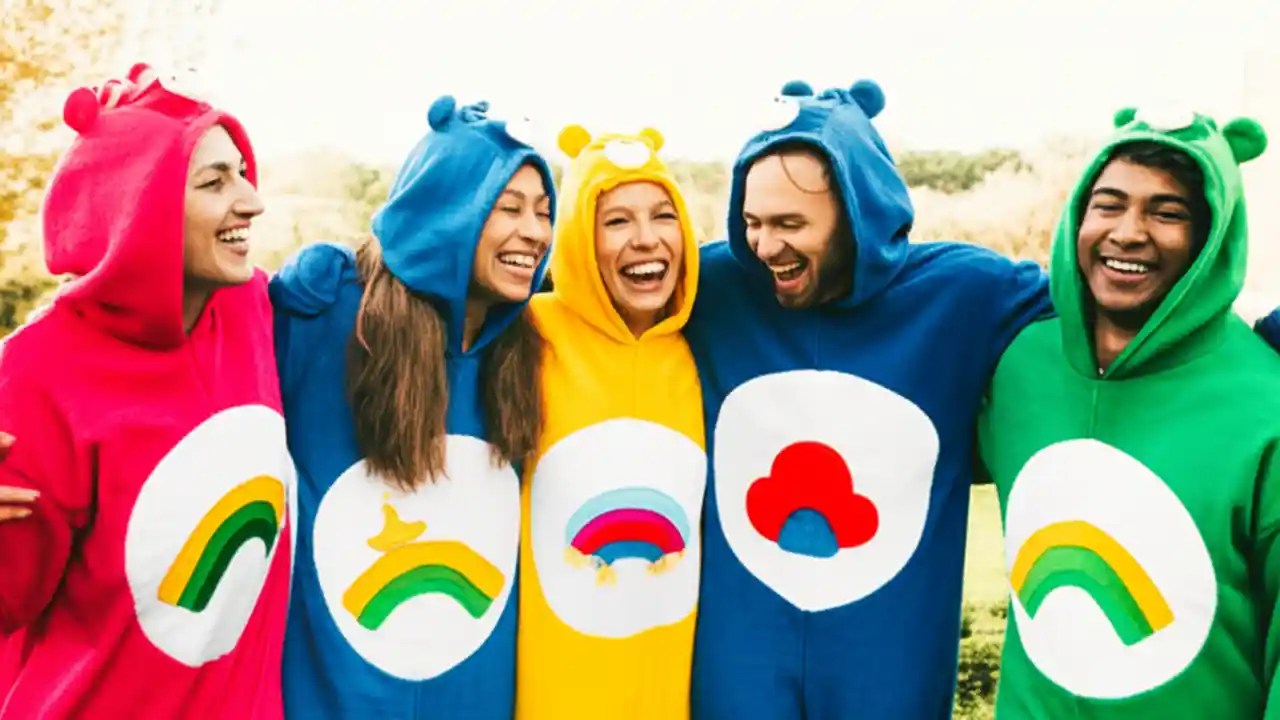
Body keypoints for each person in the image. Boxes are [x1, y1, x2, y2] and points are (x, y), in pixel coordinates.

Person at [683, 78, 1052, 719]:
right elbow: (575, 287)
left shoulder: (964, 294)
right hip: (739, 656)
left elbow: (1104, 304)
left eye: (791, 223)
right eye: (752, 222)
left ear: (859, 213)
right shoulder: (714, 287)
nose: (765, 246)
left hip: (890, 658)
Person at [0, 64, 293, 718]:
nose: (251, 201)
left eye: (242, 172)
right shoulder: (37, 371)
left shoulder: (251, 307)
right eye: (215, 182)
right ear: (139, 204)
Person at [977, 108, 1279, 717]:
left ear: (1211, 237)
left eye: (1167, 213)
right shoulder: (1018, 365)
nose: (1128, 232)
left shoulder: (1265, 400)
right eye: (1108, 205)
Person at [267, 95, 552, 719]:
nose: (535, 231)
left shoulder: (529, 345)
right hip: (333, 697)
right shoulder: (328, 311)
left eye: (543, 211)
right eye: (509, 207)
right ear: (444, 206)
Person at [516, 125, 705, 718]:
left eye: (663, 216)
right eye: (617, 221)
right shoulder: (524, 333)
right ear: (577, 236)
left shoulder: (707, 344)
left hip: (668, 688)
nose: (646, 239)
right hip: (554, 689)